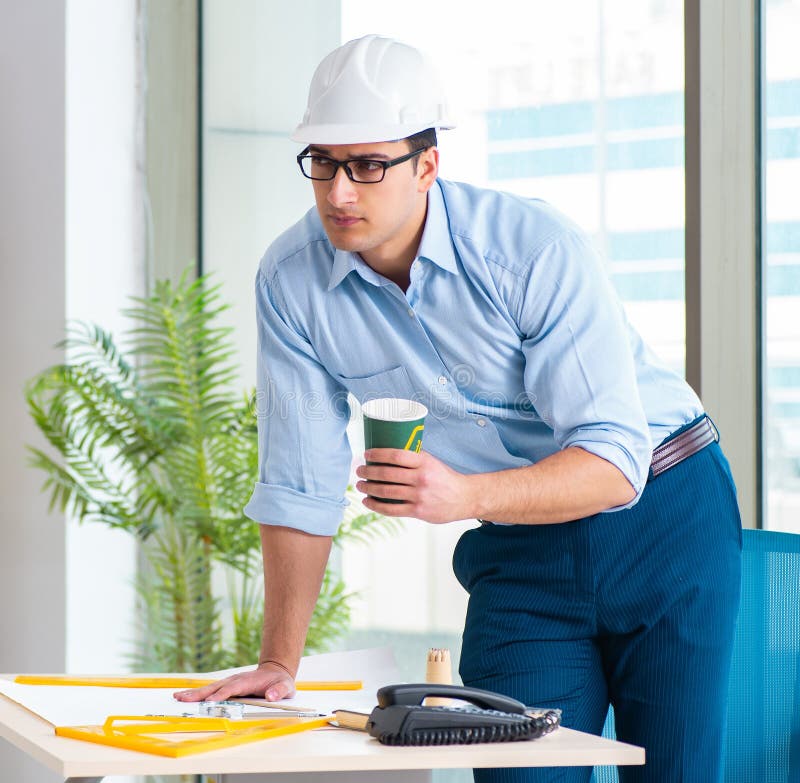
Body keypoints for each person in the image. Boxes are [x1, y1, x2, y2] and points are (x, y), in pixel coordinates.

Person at [175, 34, 742, 782]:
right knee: (513, 771)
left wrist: (462, 494)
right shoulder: (291, 281)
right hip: (521, 551)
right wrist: (279, 660)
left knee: (674, 772)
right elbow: (297, 482)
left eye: (368, 165)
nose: (340, 192)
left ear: (427, 165)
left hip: (664, 513)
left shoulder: (531, 248)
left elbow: (613, 461)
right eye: (323, 162)